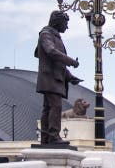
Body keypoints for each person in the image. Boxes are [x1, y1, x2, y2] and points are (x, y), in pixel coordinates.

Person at [35, 11, 81, 145]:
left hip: (54, 78)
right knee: (55, 106)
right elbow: (52, 52)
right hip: (50, 78)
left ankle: (46, 138)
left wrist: (70, 77)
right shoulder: (46, 34)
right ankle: (53, 136)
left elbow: (57, 63)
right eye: (65, 23)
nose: (67, 27)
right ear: (58, 22)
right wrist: (71, 61)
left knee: (48, 107)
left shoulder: (54, 36)